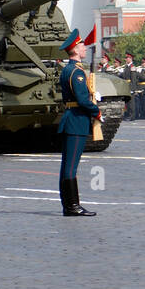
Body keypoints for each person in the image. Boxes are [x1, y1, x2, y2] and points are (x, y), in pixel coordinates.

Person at [57, 28, 100, 216]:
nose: (84, 48)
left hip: (72, 118)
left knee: (67, 165)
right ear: (75, 49)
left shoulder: (70, 70)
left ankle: (69, 205)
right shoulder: (76, 72)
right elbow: (82, 100)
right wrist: (97, 111)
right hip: (77, 121)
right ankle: (72, 206)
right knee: (71, 166)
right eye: (82, 45)